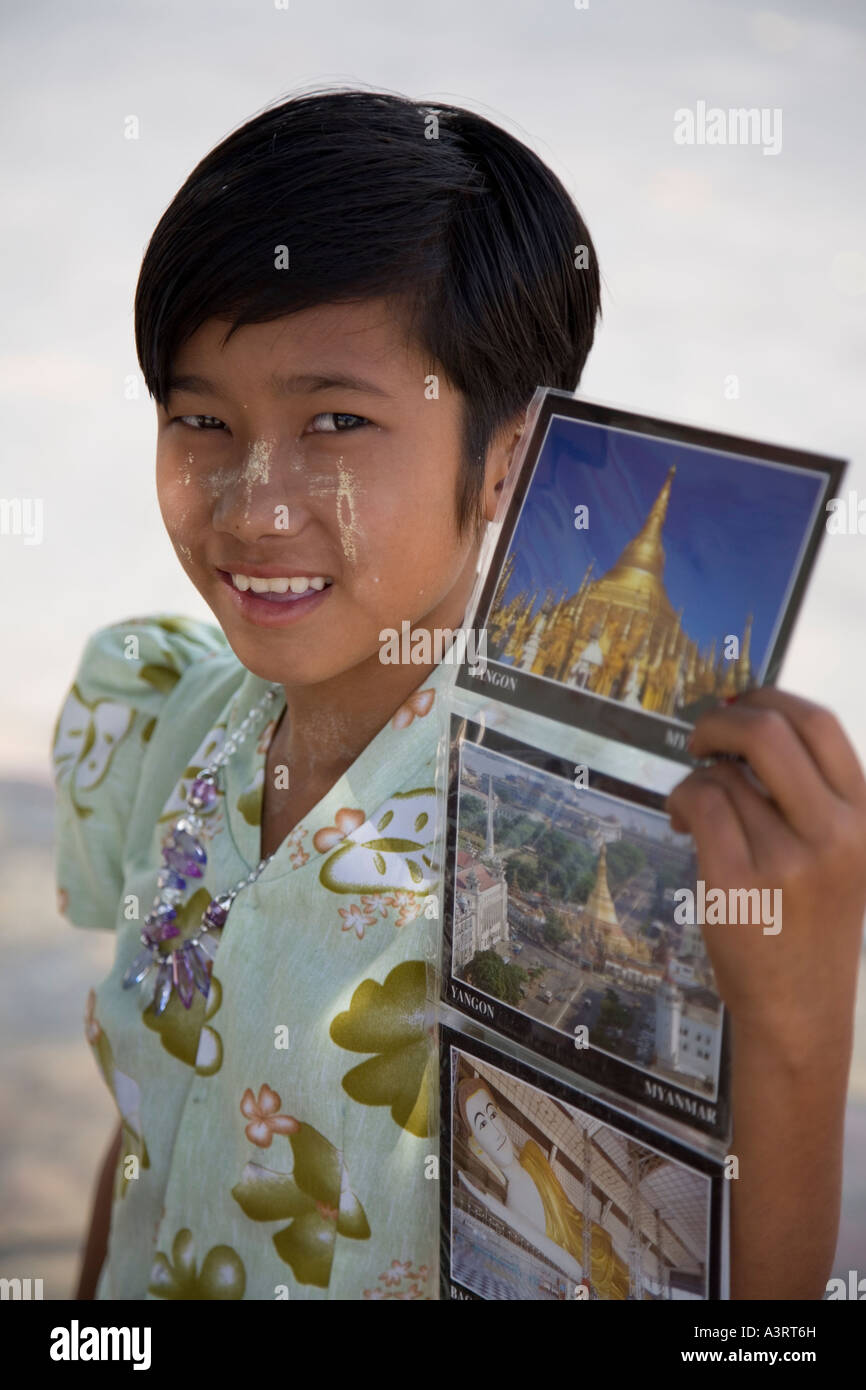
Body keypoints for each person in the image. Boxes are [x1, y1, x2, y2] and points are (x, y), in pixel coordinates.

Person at [52, 86, 866, 1302]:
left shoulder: (583, 844)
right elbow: (151, 1134)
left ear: (509, 460)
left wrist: (797, 1032)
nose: (253, 505)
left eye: (337, 420)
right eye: (202, 418)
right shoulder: (164, 718)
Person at [455, 1076, 630, 1298]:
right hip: (587, 1272)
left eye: (492, 1114)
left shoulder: (532, 1153)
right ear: (476, 1143)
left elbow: (568, 1210)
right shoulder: (514, 1204)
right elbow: (571, 1268)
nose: (496, 1130)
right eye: (482, 1124)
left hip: (593, 1245)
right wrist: (494, 1207)